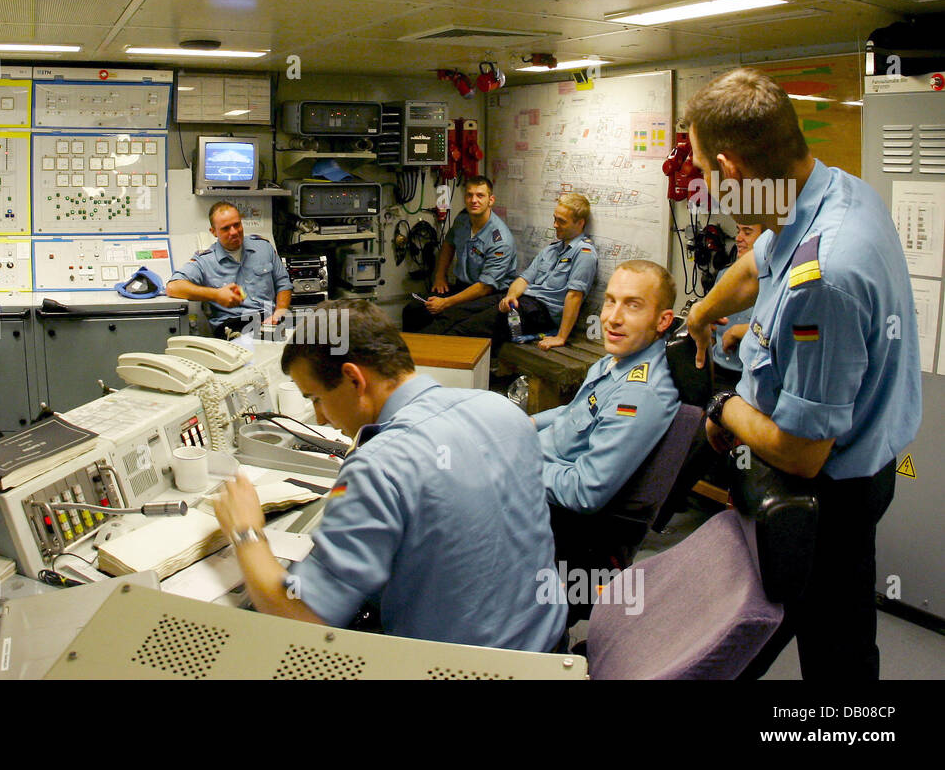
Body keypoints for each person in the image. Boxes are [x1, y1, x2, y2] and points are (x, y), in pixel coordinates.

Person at [683, 67, 921, 680]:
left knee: (834, 653)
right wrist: (705, 313)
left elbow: (802, 450)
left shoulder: (828, 275)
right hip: (852, 466)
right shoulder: (829, 192)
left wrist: (724, 409)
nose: (705, 183)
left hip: (827, 491)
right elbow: (763, 264)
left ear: (731, 170)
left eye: (705, 169)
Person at [212, 299, 565, 651]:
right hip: (549, 651)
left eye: (316, 397)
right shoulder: (501, 409)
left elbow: (302, 618)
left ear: (353, 378)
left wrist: (246, 532)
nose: (319, 418)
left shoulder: (378, 467)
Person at [534, 261, 680, 575]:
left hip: (547, 514)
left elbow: (582, 491)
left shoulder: (638, 395)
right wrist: (527, 425)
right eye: (610, 301)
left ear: (662, 320)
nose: (612, 318)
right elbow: (573, 413)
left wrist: (516, 464)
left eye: (633, 306)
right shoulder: (615, 361)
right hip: (537, 463)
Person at [401, 176, 517, 337]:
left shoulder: (500, 240)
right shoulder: (463, 219)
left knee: (442, 322)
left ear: (491, 200)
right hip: (463, 287)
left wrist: (445, 303)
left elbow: (484, 287)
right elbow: (449, 243)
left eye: (480, 195)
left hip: (488, 295)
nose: (474, 200)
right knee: (413, 310)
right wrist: (440, 276)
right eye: (469, 195)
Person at [166, 201, 291, 338]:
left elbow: (283, 283)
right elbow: (173, 287)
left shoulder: (264, 248)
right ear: (213, 232)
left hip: (270, 321)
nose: (234, 232)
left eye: (237, 225)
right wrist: (216, 295)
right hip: (233, 326)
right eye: (226, 228)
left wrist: (280, 311)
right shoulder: (205, 260)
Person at [498, 193, 599, 351]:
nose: (555, 225)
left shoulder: (584, 254)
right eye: (555, 219)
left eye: (561, 221)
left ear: (580, 223)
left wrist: (561, 337)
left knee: (472, 327)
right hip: (524, 302)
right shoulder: (552, 249)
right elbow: (523, 279)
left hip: (541, 315)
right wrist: (510, 296)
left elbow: (574, 296)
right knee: (465, 311)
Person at [710, 223, 771, 393]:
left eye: (747, 232)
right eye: (737, 231)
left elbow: (781, 330)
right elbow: (712, 330)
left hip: (751, 378)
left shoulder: (776, 282)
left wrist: (743, 331)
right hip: (718, 370)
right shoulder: (725, 275)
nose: (738, 238)